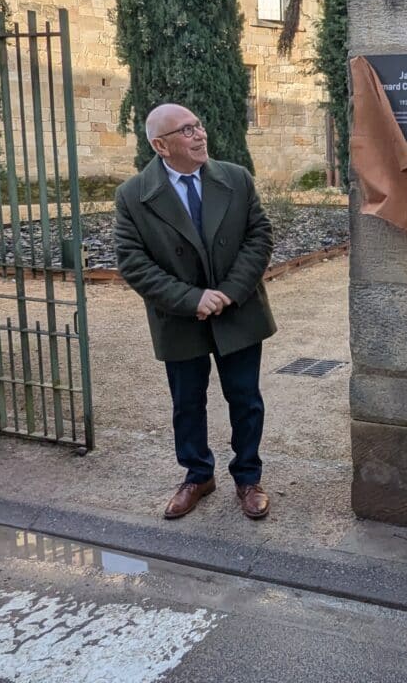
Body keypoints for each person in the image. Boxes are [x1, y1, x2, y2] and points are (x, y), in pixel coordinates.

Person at [114, 103, 277, 521]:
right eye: (186, 131)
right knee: (187, 402)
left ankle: (248, 477)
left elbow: (259, 235)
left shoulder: (235, 179)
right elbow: (133, 262)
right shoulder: (133, 196)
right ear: (160, 146)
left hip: (236, 310)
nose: (200, 134)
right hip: (180, 317)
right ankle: (198, 475)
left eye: (199, 125)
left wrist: (228, 292)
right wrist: (191, 299)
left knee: (245, 399)